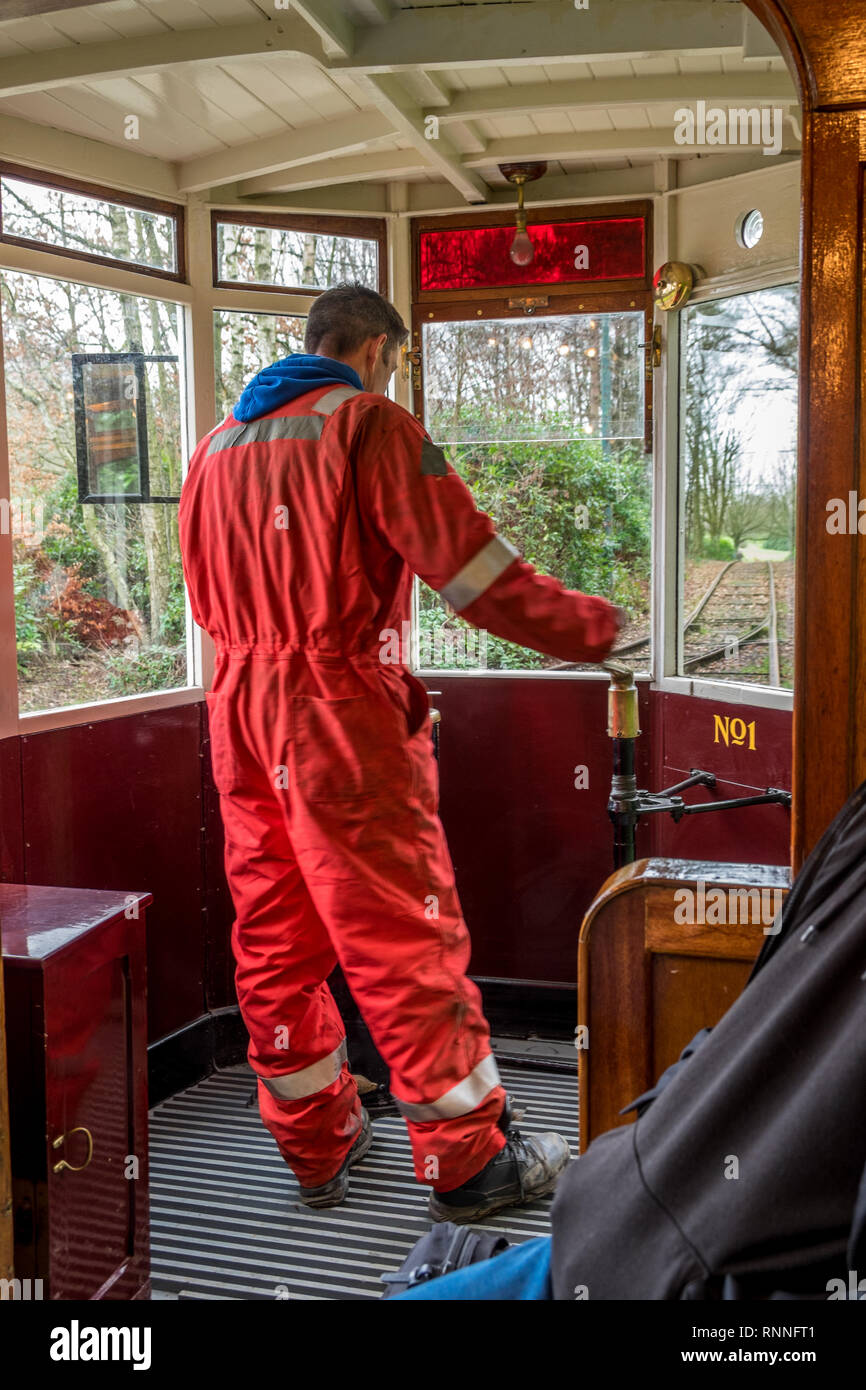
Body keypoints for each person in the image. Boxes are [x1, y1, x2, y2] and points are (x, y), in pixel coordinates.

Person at [178, 282, 622, 1223]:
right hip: (336, 710)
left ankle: (318, 1144)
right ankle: (467, 1162)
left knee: (272, 938)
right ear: (378, 350)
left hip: (238, 711)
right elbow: (474, 573)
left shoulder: (212, 449)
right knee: (402, 935)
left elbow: (205, 594)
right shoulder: (371, 423)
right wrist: (596, 629)